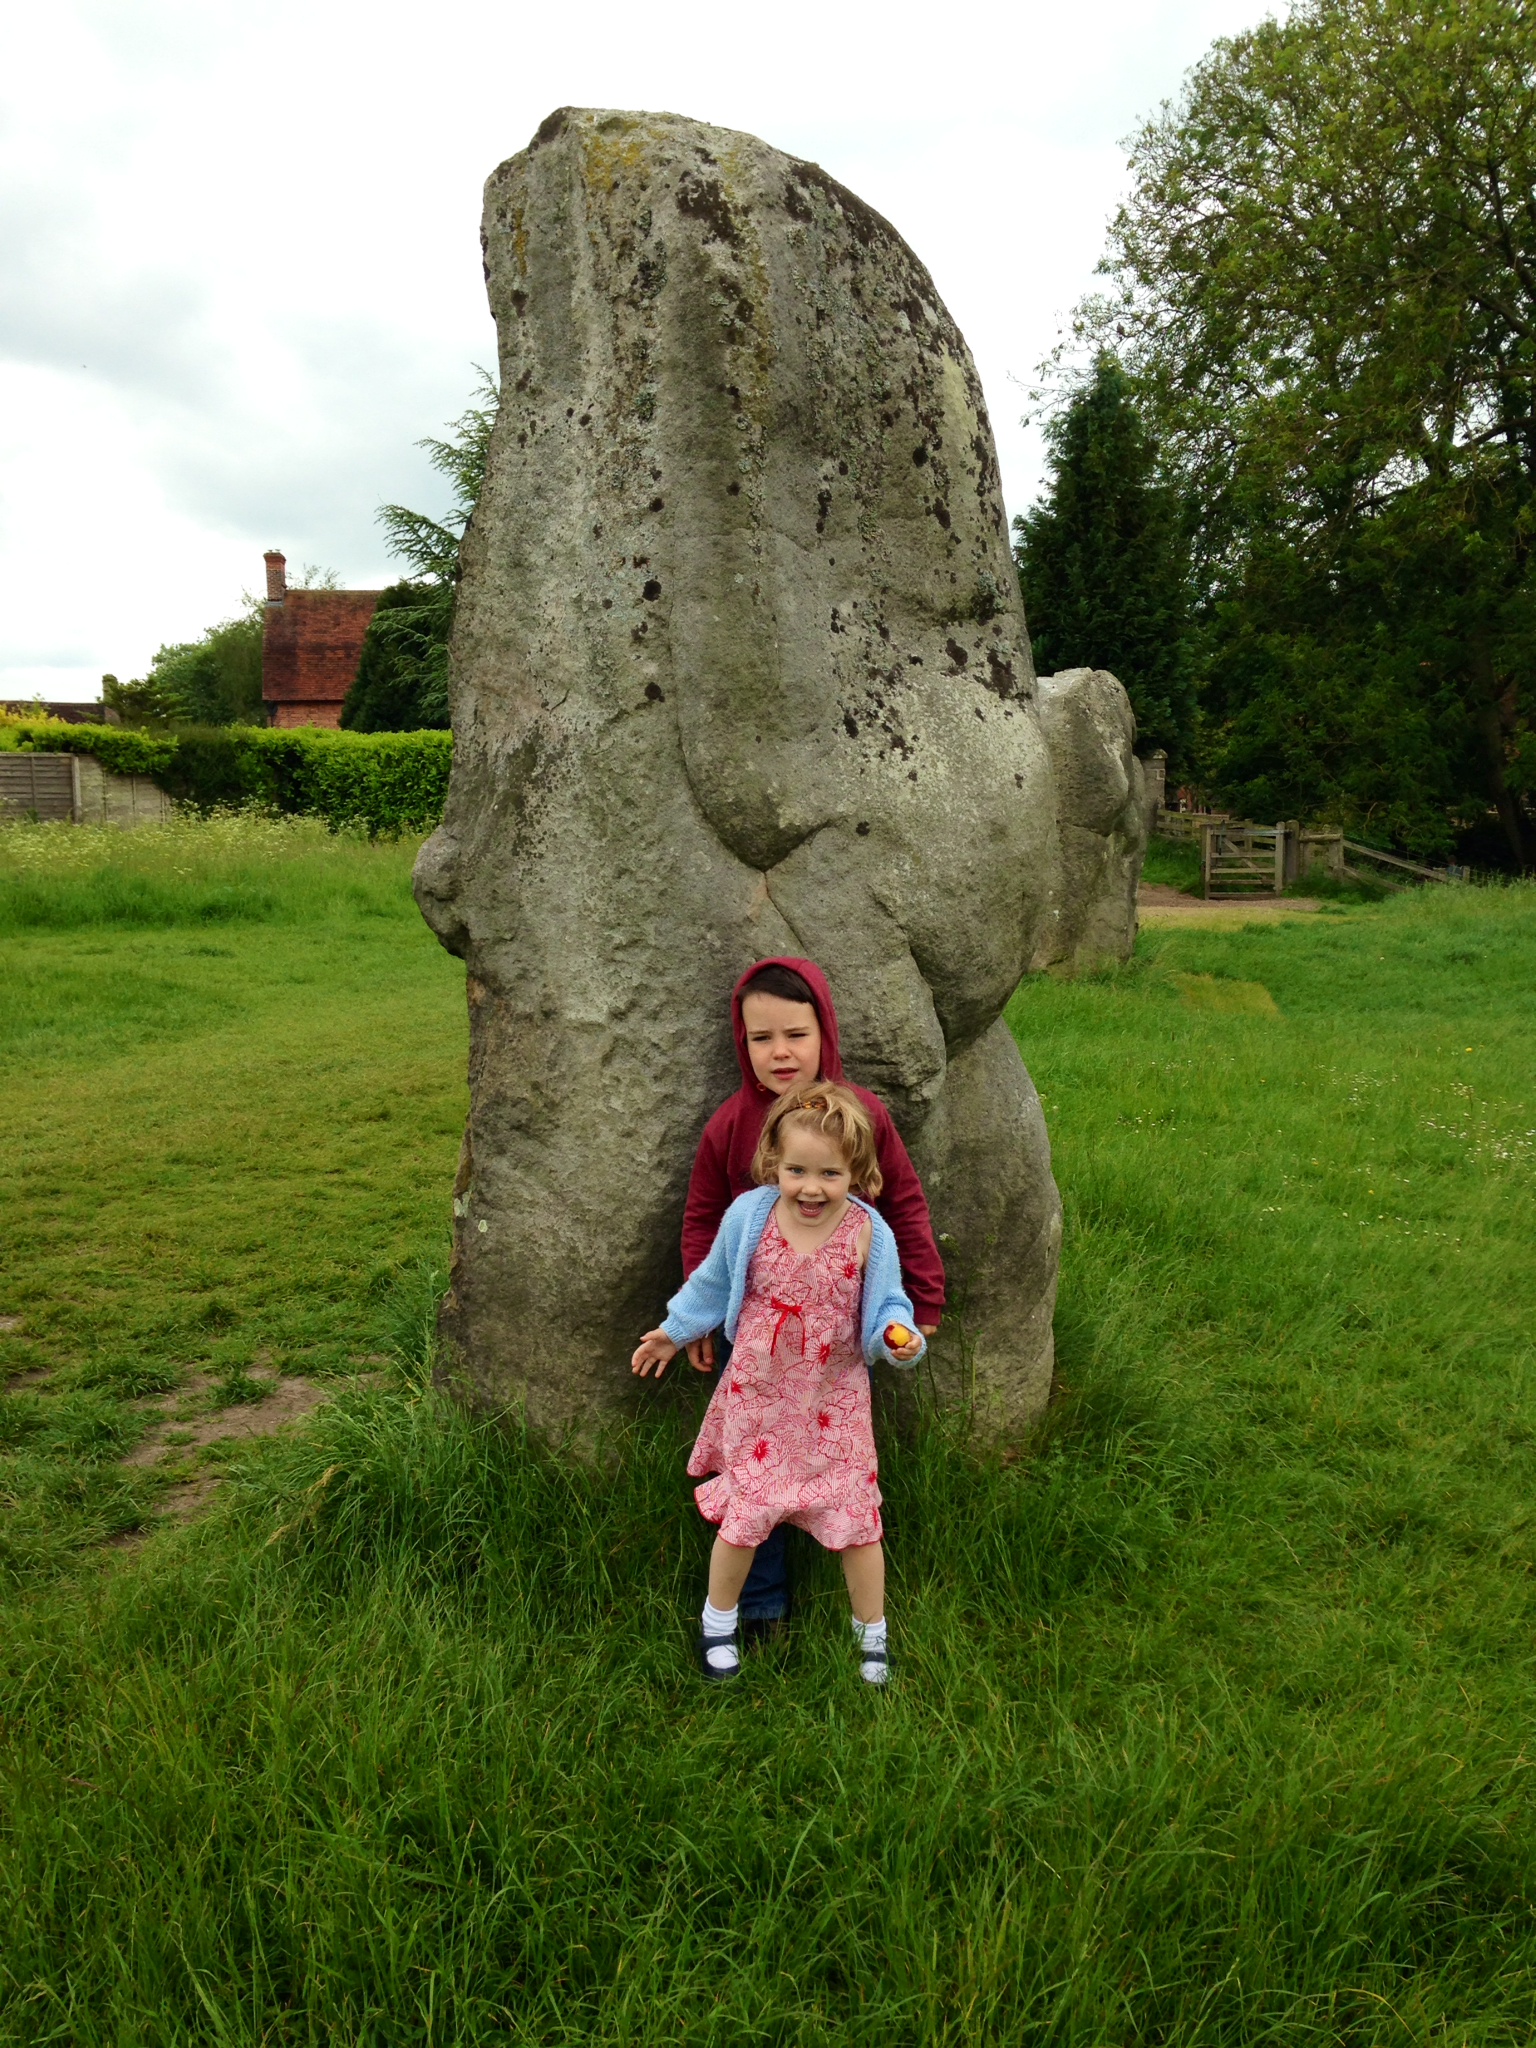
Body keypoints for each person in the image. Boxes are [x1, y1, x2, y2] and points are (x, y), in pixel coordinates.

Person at [665, 957, 945, 1638]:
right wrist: (697, 1321)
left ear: (826, 1032)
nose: (780, 1052)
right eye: (761, 1038)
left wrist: (921, 1304)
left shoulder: (861, 1115)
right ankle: (758, 1604)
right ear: (743, 1045)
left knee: (832, 1461)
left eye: (795, 1033)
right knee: (753, 1469)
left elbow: (902, 1203)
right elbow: (705, 1219)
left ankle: (856, 1597)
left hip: (838, 1340)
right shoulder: (730, 1125)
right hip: (755, 1335)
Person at [633, 1081, 925, 1684]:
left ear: (858, 1173)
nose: (811, 1188)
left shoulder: (871, 1232)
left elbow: (890, 1303)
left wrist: (900, 1335)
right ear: (772, 1163)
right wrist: (674, 1330)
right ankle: (718, 1622)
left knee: (856, 1516)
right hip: (758, 1398)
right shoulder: (750, 1215)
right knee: (748, 1513)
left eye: (829, 1174)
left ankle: (873, 1637)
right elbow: (713, 1283)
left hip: (833, 1400)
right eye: (796, 1170)